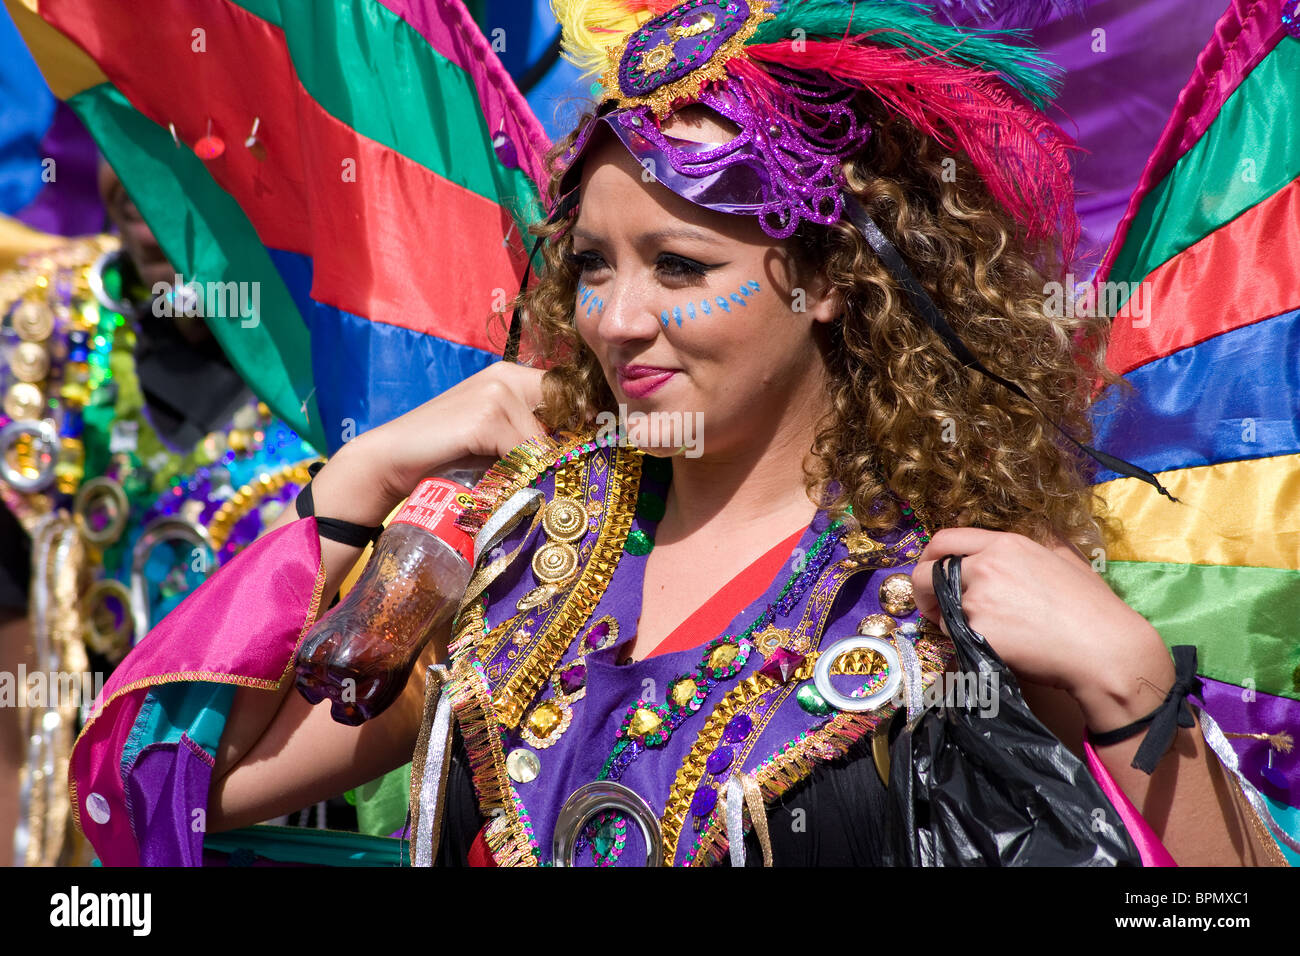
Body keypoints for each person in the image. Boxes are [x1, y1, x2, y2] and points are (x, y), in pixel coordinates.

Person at [68, 0, 1289, 867]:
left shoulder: (955, 597)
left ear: (822, 280)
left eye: (679, 263)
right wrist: (355, 489)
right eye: (591, 266)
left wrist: (1135, 698)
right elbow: (160, 792)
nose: (615, 318)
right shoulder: (495, 552)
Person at [0, 159, 317, 865]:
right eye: (118, 113)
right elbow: (15, 727)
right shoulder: (43, 342)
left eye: (179, 124)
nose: (143, 166)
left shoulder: (364, 361)